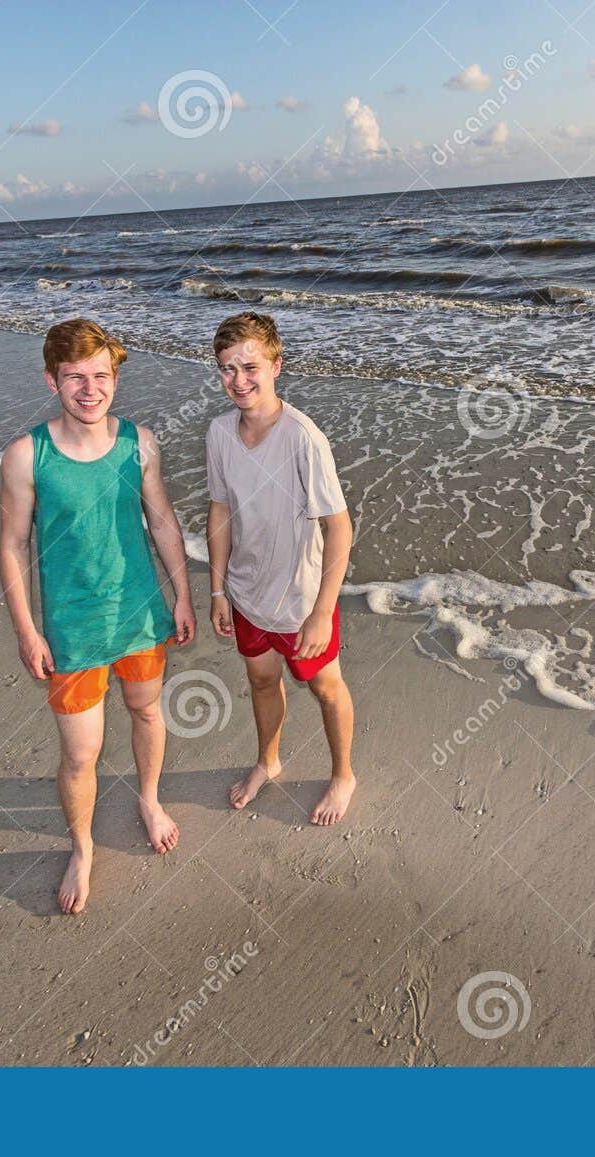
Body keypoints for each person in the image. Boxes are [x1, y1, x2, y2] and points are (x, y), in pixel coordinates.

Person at [0, 318, 195, 914]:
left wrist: (183, 595)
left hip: (139, 614)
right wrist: (27, 630)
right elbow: (13, 545)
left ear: (116, 377)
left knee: (147, 711)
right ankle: (82, 847)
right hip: (73, 628)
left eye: (101, 376)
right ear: (51, 380)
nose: (90, 390)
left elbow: (162, 521)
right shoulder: (27, 455)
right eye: (75, 378)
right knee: (81, 753)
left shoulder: (141, 443)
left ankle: (149, 799)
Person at [205, 311, 357, 825]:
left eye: (250, 367)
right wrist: (218, 590)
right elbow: (220, 511)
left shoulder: (302, 437)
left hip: (300, 600)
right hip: (247, 594)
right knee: (262, 681)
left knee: (326, 688)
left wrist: (322, 613)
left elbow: (339, 528)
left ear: (276, 365)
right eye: (227, 369)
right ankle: (267, 761)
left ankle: (343, 775)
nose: (238, 380)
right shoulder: (219, 432)